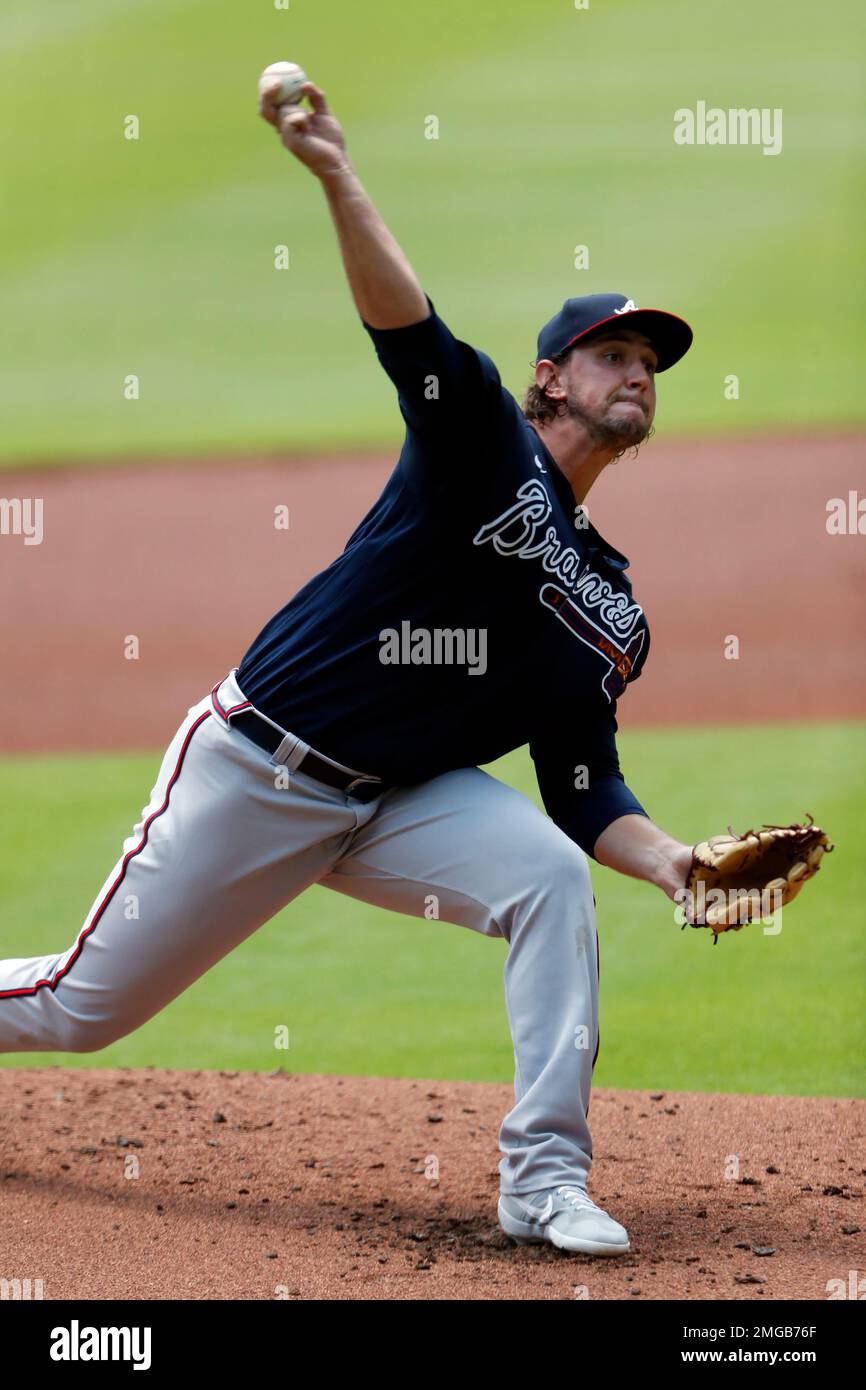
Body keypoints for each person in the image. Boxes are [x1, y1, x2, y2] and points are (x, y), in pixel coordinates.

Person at [0, 78, 698, 1258]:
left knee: (545, 881)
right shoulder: (482, 441)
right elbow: (406, 327)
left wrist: (677, 864)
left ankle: (540, 1183)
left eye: (648, 362)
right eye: (611, 353)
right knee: (80, 1010)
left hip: (394, 804)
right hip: (259, 767)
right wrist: (333, 170)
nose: (635, 372)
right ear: (550, 380)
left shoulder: (610, 607)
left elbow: (580, 787)